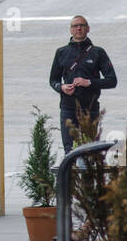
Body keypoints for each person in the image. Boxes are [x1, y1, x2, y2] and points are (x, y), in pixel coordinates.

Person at [48, 15, 117, 155]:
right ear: (70, 30)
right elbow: (53, 80)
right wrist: (61, 88)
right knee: (70, 152)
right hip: (68, 108)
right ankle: (71, 176)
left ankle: (87, 176)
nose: (78, 28)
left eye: (82, 25)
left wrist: (89, 82)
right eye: (75, 26)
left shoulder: (98, 52)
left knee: (88, 151)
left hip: (90, 109)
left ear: (88, 29)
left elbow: (112, 81)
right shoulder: (61, 52)